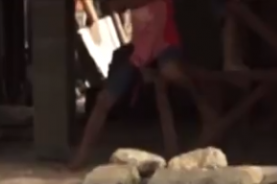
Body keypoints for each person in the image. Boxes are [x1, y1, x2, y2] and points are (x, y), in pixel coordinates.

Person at [69, 0, 219, 170]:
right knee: (104, 99)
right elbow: (115, 5)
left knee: (169, 73)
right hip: (140, 49)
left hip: (165, 42)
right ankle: (81, 156)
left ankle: (205, 109)